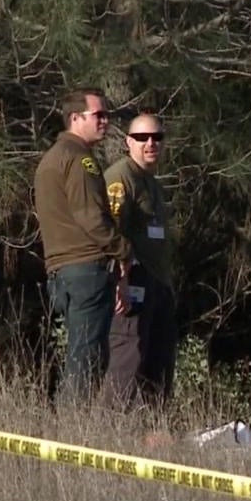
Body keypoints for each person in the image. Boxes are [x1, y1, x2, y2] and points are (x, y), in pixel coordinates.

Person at [33, 87, 132, 402]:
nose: (105, 121)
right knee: (87, 361)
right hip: (86, 270)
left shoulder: (52, 158)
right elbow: (91, 218)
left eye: (107, 115)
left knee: (79, 355)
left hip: (63, 271)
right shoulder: (79, 160)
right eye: (98, 115)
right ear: (75, 118)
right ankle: (73, 435)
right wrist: (125, 251)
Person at [102, 113, 178, 410]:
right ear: (128, 142)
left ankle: (150, 435)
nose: (151, 144)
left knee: (158, 361)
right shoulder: (122, 177)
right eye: (143, 138)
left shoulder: (153, 183)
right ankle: (112, 429)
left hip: (158, 283)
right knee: (127, 358)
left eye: (157, 138)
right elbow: (108, 232)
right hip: (132, 280)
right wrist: (118, 282)